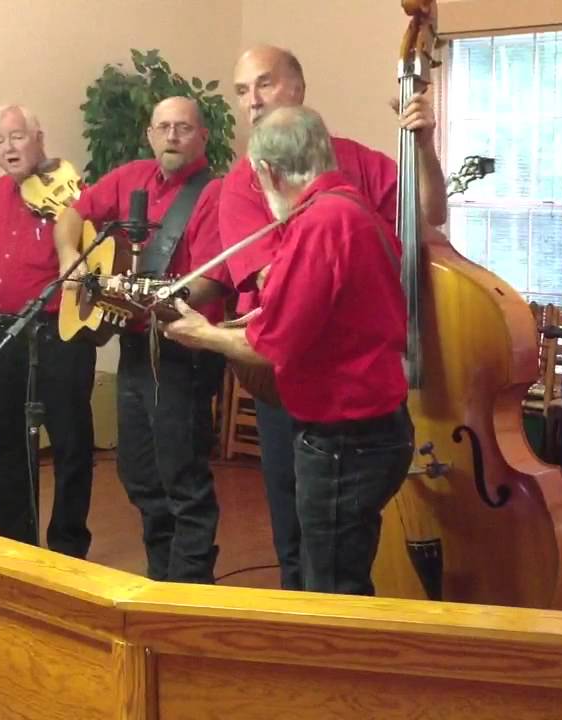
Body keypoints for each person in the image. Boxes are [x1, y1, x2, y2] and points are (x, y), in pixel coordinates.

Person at [218, 45, 444, 590]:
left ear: (297, 89)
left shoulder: (357, 162)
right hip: (283, 374)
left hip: (359, 382)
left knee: (337, 540)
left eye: (264, 85)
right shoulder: (244, 179)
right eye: (243, 91)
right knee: (298, 527)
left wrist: (425, 148)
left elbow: (428, 215)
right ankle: (307, 633)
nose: (253, 101)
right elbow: (275, 283)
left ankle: (333, 635)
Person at [165, 105, 413, 596]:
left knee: (332, 588)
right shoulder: (353, 208)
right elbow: (331, 318)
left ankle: (338, 672)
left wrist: (205, 333)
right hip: (378, 429)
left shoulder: (321, 223)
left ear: (267, 171)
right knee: (344, 573)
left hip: (346, 437)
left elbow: (275, 347)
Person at [53, 96, 229, 583]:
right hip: (134, 348)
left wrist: (163, 298)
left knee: (183, 481)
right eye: (163, 127)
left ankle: (190, 593)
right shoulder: (130, 177)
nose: (172, 136)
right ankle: (161, 579)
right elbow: (72, 214)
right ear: (150, 135)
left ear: (202, 137)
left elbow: (216, 277)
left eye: (184, 128)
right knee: (138, 474)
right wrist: (74, 258)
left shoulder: (214, 192)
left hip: (182, 351)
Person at [0, 104, 96, 558]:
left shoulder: (73, 194)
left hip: (56, 333)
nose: (8, 148)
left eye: (16, 137)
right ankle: (15, 547)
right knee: (0, 442)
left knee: (70, 441)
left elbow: (94, 253)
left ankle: (67, 549)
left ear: (38, 137)